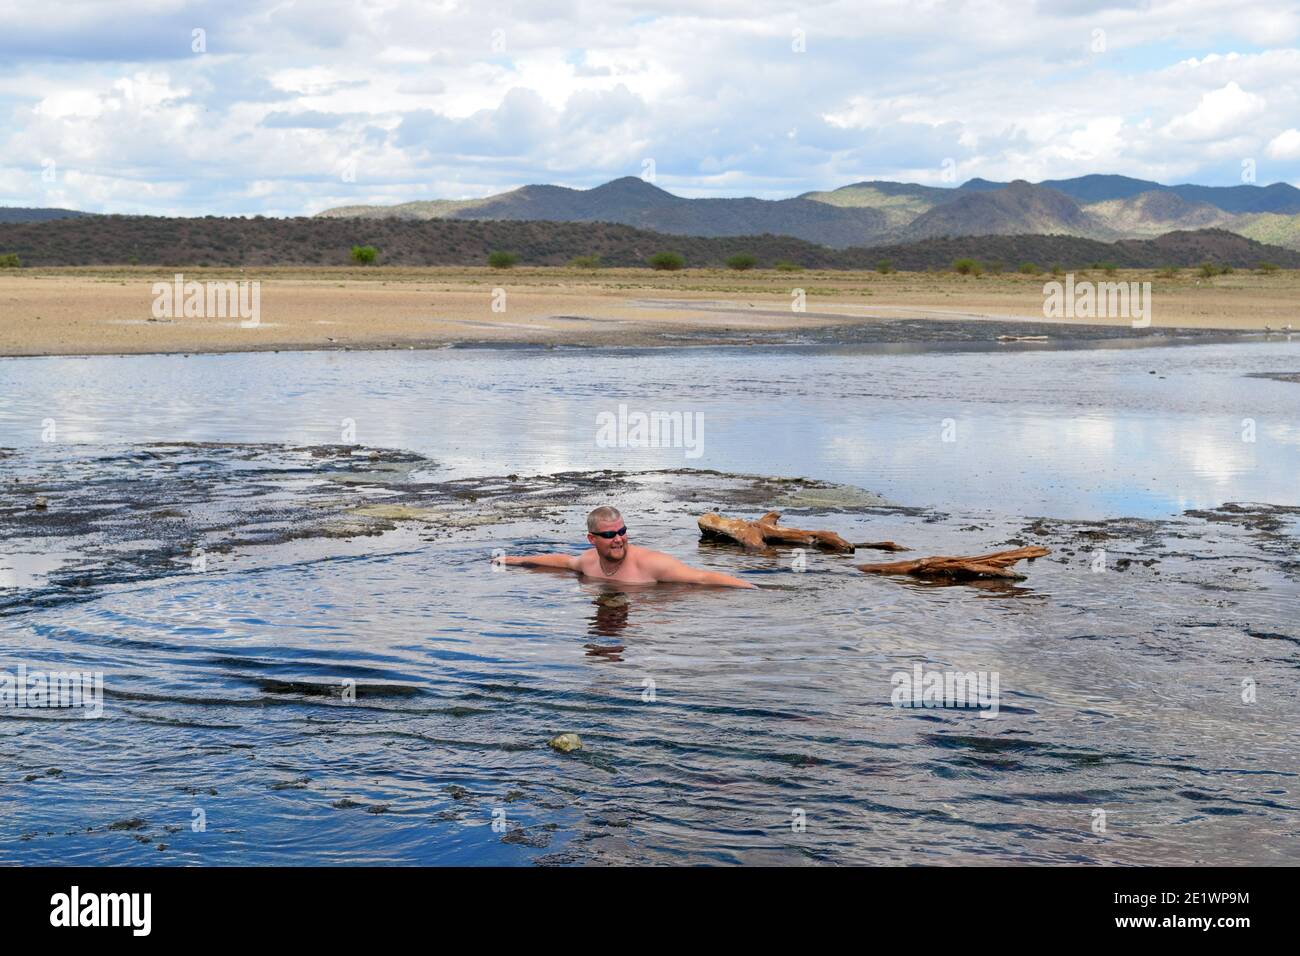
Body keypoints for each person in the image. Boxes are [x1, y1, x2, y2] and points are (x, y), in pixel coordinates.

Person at [493, 505, 756, 588]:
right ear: (592, 539)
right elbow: (563, 562)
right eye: (609, 534)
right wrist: (516, 561)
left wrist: (753, 588)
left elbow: (702, 578)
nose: (618, 538)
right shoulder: (588, 562)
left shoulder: (652, 564)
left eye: (622, 531)